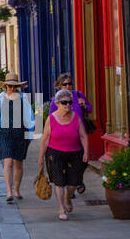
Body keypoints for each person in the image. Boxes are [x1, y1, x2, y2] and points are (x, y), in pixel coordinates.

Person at [0, 72, 35, 202]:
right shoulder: (0, 98)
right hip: (5, 134)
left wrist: (30, 135)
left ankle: (17, 190)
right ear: (5, 86)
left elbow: (30, 117)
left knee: (18, 164)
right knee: (8, 162)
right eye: (10, 86)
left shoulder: (23, 98)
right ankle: (9, 191)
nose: (12, 89)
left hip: (20, 133)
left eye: (15, 87)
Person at [36, 88, 90, 220]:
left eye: (70, 102)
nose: (68, 105)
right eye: (64, 102)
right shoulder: (51, 119)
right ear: (58, 103)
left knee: (74, 182)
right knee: (59, 182)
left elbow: (83, 136)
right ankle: (61, 208)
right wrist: (41, 157)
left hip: (75, 153)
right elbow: (45, 139)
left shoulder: (76, 117)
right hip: (55, 154)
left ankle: (68, 198)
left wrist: (86, 152)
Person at [48, 72, 94, 194]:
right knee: (67, 164)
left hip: (79, 135)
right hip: (63, 138)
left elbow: (90, 109)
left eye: (70, 84)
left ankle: (78, 179)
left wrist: (84, 105)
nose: (68, 86)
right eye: (65, 84)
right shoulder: (56, 101)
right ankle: (72, 185)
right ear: (59, 86)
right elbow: (51, 119)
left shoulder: (78, 95)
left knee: (82, 162)